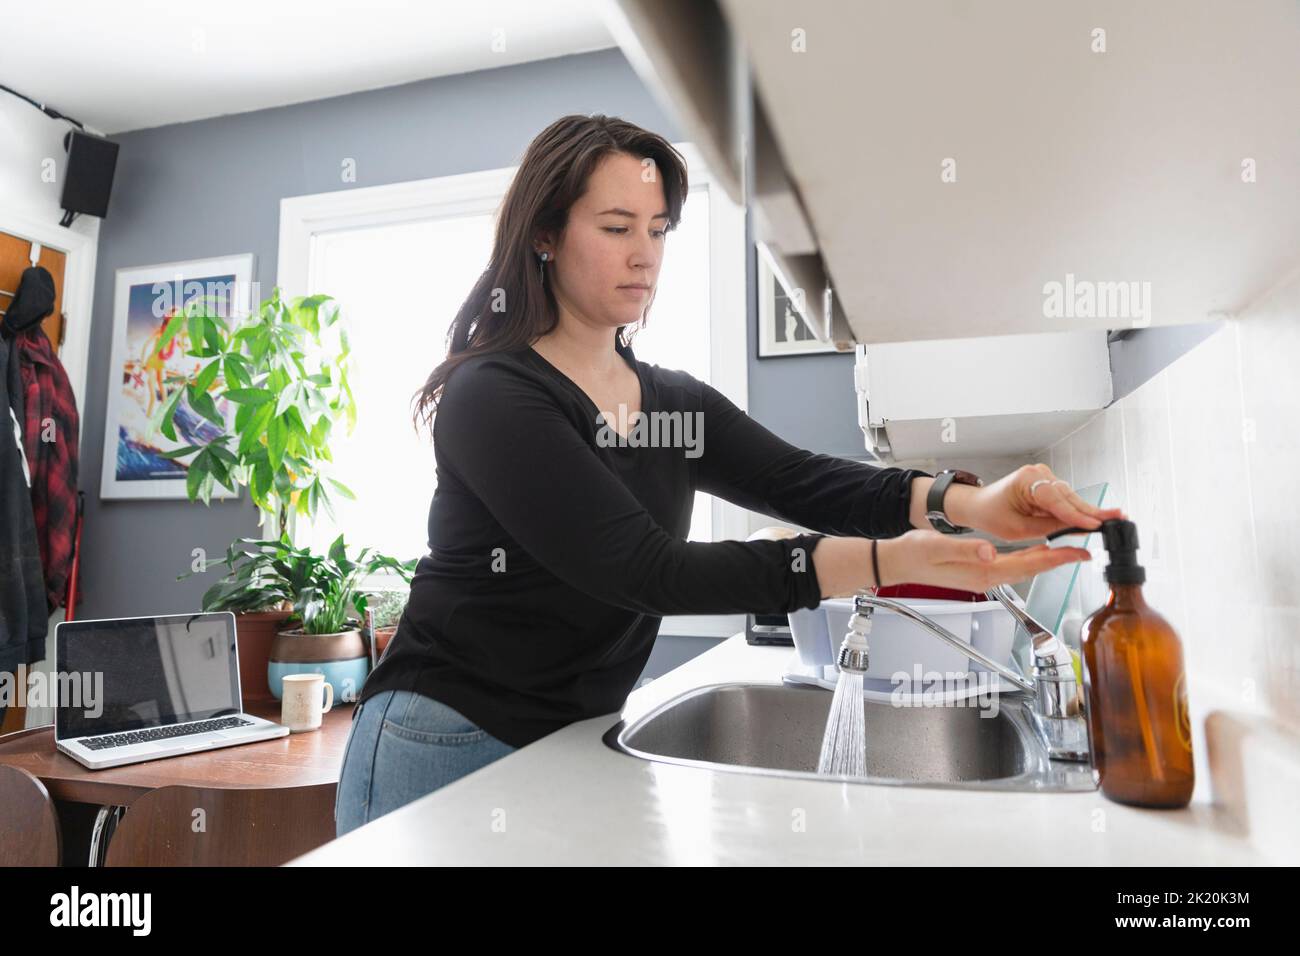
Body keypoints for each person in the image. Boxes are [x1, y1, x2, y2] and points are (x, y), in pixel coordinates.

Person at [334, 114, 1120, 836]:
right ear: (545, 235)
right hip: (446, 734)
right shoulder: (497, 396)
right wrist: (886, 562)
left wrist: (964, 501)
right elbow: (647, 571)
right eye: (616, 228)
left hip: (572, 733)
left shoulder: (668, 404)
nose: (645, 255)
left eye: (659, 230)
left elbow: (798, 480)